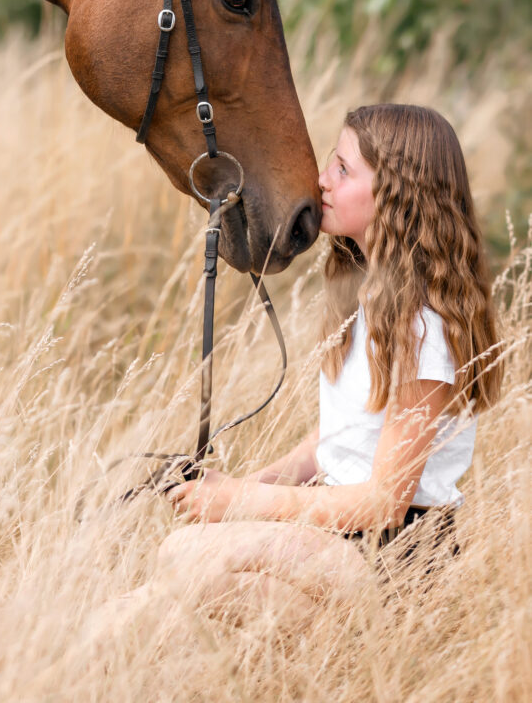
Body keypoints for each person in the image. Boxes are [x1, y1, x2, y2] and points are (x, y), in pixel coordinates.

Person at [97, 104, 503, 633]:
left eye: (343, 170)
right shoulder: (370, 299)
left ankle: (376, 642)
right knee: (166, 606)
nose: (321, 181)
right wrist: (239, 484)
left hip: (395, 559)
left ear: (397, 197)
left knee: (183, 557)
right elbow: (335, 440)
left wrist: (244, 501)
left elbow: (385, 501)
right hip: (343, 543)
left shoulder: (422, 330)